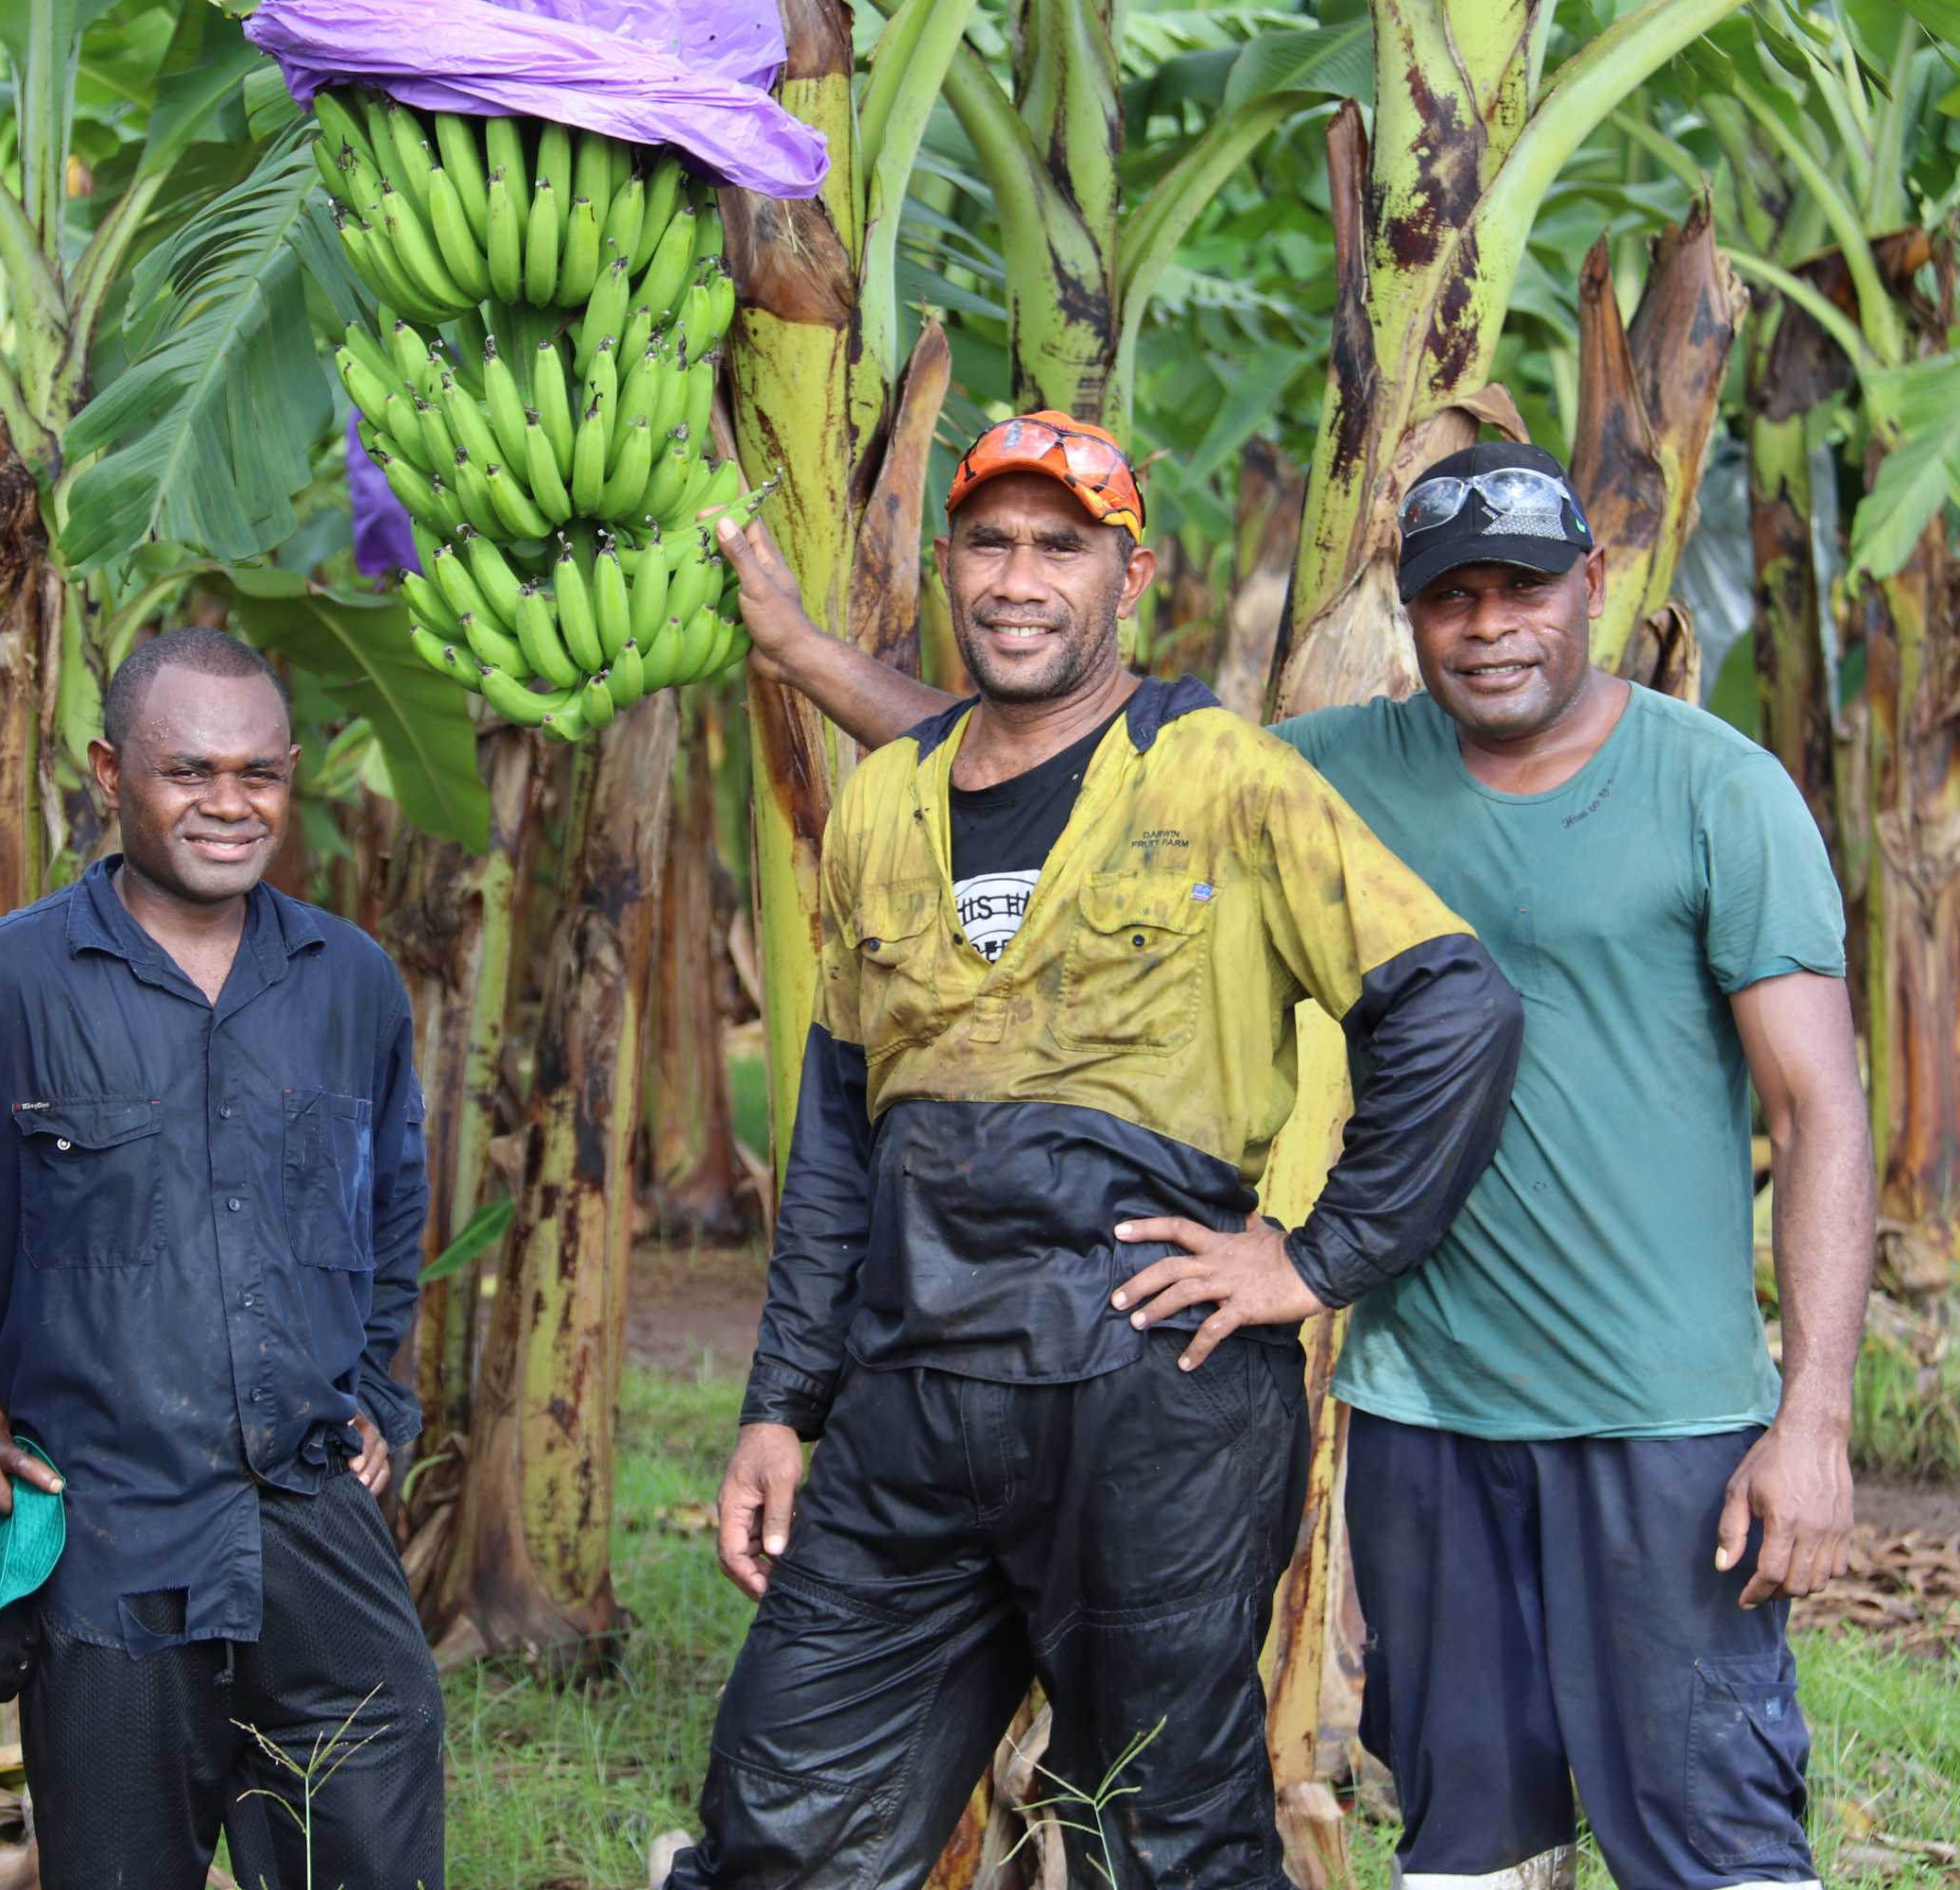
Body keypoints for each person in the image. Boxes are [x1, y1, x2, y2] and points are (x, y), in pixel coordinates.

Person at [732, 437, 1872, 1890]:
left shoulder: (1719, 789)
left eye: (1524, 589)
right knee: (1467, 1839)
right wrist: (806, 655)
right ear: (1406, 611)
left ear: (1596, 583)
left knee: (1710, 1835)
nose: (1491, 626)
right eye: (1451, 596)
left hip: (1658, 1416)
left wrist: (1817, 1415)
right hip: (1425, 1409)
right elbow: (1039, 764)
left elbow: (1821, 1107)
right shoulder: (1320, 775)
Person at [657, 413, 1525, 1890]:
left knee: (1165, 1826)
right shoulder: (886, 800)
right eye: (989, 542)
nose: (1018, 579)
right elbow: (833, 1140)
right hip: (912, 1394)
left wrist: (1316, 1259)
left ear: (1131, 580)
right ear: (947, 566)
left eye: (1062, 547)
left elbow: (1451, 1003)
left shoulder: (1217, 776)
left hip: (1152, 1402)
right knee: (780, 1820)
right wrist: (779, 1405)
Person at [0, 628, 443, 1890]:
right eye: (188, 770)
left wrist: (380, 1391)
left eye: (259, 774)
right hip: (107, 1538)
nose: (229, 804)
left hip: (312, 1520)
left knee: (368, 1845)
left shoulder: (347, 981)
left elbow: (388, 1203)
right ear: (108, 771)